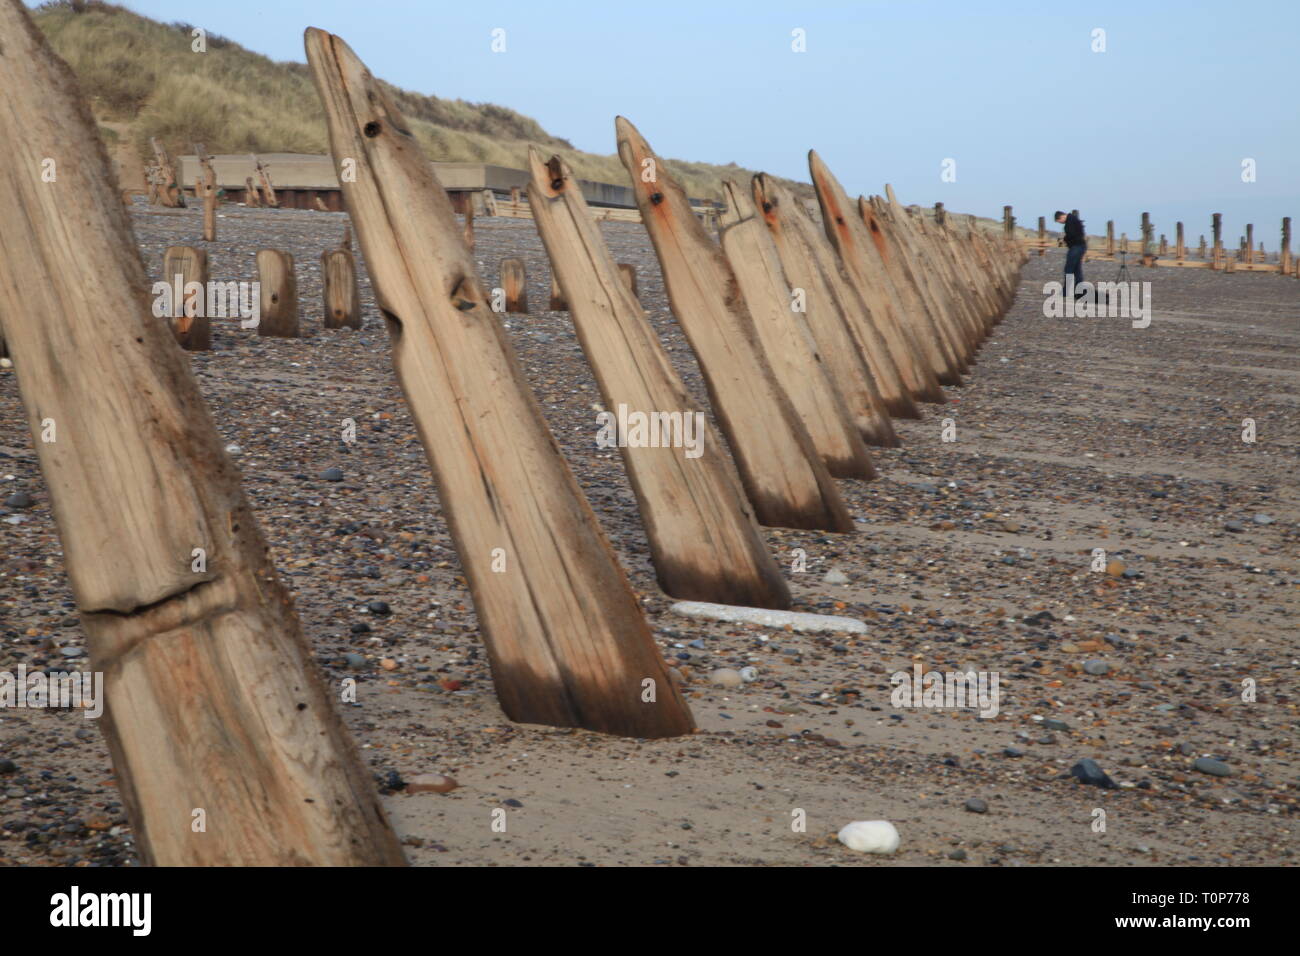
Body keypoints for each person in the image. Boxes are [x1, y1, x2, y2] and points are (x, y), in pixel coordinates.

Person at [1055, 210, 1087, 296]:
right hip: (1080, 246)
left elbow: (1071, 235)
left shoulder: (1070, 221)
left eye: (1059, 221)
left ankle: (1067, 291)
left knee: (1069, 269)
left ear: (1061, 217)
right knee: (1077, 270)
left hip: (1076, 247)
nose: (1060, 223)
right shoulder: (1073, 219)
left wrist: (1064, 239)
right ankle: (1079, 291)